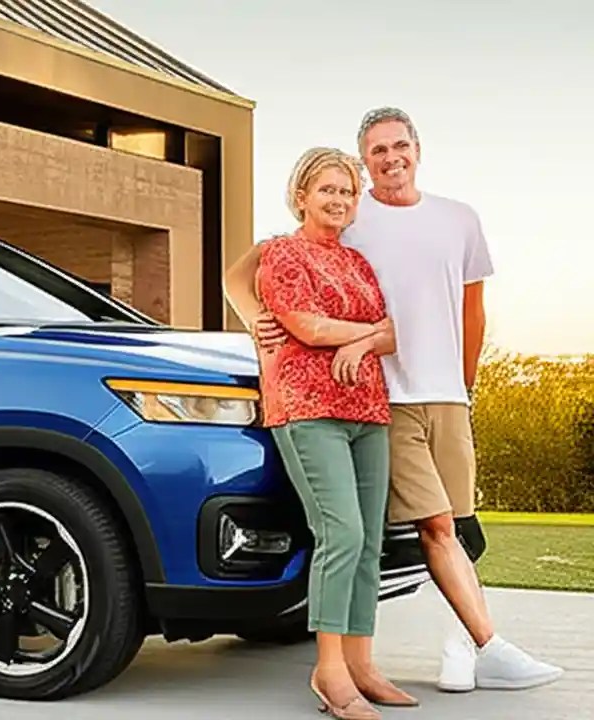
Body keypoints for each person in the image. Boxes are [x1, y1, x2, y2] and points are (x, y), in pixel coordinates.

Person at [226, 107, 564, 694]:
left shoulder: (446, 222)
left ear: (417, 149)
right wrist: (261, 321)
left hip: (425, 397)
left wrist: (464, 382)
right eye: (375, 152)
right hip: (371, 398)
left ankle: (447, 649)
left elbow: (456, 311)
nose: (389, 159)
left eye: (399, 146)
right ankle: (477, 646)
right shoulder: (330, 230)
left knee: (452, 528)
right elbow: (251, 282)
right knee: (408, 528)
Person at [248, 146, 412, 720]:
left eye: (347, 191)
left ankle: (363, 664)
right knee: (339, 534)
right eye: (327, 190)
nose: (339, 200)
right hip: (308, 407)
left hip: (368, 409)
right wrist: (371, 331)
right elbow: (304, 325)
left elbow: (399, 333)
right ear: (301, 196)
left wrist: (364, 340)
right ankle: (330, 670)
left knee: (370, 541)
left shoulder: (359, 264)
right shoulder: (281, 254)